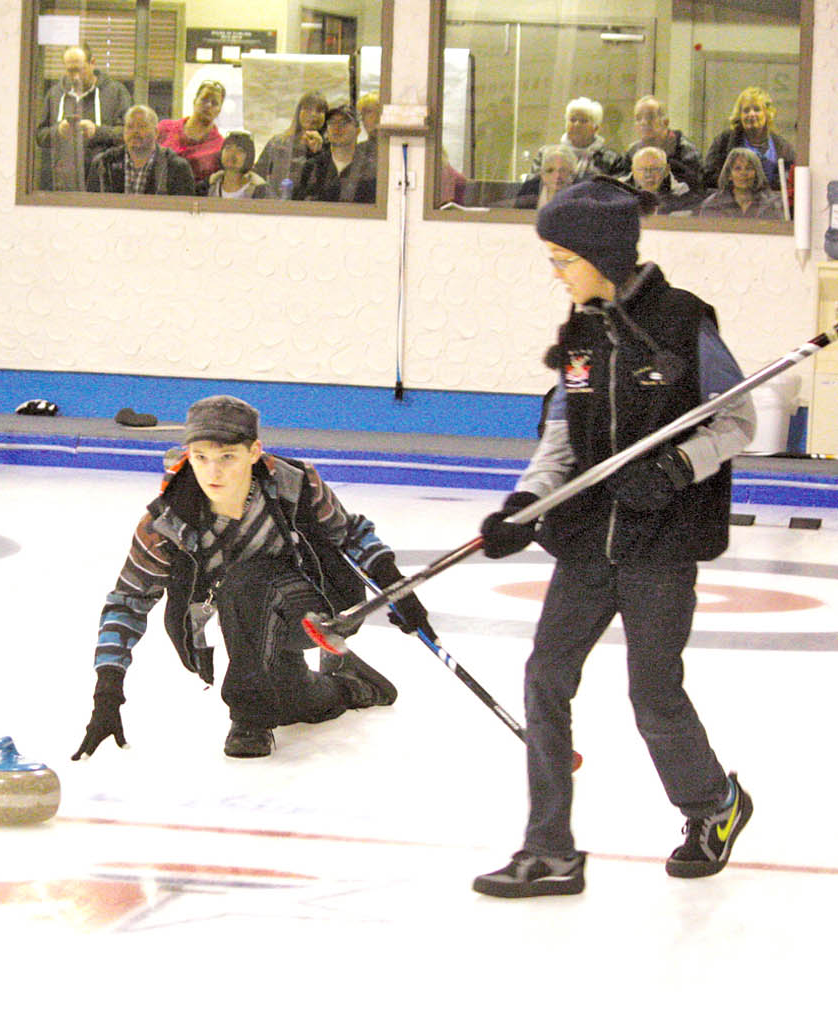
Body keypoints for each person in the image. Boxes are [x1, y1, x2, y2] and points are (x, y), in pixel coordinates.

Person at [473, 179, 756, 898]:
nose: (556, 273)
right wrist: (526, 502)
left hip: (661, 543)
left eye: (564, 257)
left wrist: (676, 466)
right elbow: (563, 435)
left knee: (652, 695)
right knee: (545, 678)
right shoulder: (580, 332)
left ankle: (713, 806)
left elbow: (738, 421)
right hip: (586, 542)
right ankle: (549, 847)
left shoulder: (684, 321)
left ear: (602, 253)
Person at [73, 396, 429, 761]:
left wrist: (398, 588)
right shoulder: (167, 523)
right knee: (291, 702)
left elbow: (350, 533)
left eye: (227, 457)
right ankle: (352, 685)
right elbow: (128, 601)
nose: (214, 473)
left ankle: (249, 719)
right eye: (201, 458)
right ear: (187, 455)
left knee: (245, 581)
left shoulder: (295, 483)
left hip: (310, 611)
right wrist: (108, 694)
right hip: (249, 625)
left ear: (254, 451)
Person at [35, 43, 131, 192]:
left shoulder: (115, 92)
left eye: (79, 70)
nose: (76, 77)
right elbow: (40, 136)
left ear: (92, 63)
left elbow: (128, 134)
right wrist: (58, 132)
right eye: (70, 71)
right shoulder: (55, 94)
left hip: (106, 183)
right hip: (64, 184)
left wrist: (97, 132)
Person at [701, 86, 795, 199]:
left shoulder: (783, 147)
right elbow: (708, 178)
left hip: (770, 209)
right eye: (746, 110)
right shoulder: (723, 142)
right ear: (739, 115)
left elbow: (791, 184)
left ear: (767, 114)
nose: (751, 114)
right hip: (731, 208)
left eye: (756, 109)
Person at [86, 104, 195, 196]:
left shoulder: (176, 167)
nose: (135, 132)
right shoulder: (103, 164)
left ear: (156, 133)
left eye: (142, 126)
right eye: (130, 127)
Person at [294, 103, 376, 203]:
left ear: (357, 131)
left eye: (344, 123)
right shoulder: (313, 167)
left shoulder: (369, 169)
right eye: (332, 123)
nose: (337, 128)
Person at [531, 97, 627, 180]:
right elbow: (532, 189)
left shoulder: (612, 159)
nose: (576, 124)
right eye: (572, 120)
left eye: (583, 121)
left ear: (596, 128)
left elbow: (616, 194)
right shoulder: (546, 155)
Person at [253, 91, 326, 198]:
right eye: (307, 109)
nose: (313, 114)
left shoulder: (329, 148)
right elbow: (258, 176)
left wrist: (320, 152)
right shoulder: (277, 143)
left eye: (319, 111)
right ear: (298, 112)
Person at [157, 80, 226, 190]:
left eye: (214, 103)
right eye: (204, 99)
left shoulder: (220, 146)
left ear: (219, 110)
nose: (208, 105)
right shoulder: (164, 128)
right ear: (195, 101)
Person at [624, 95, 701, 187]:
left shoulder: (685, 151)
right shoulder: (633, 151)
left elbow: (695, 188)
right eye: (638, 118)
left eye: (650, 117)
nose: (643, 122)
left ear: (665, 122)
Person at [697, 146, 784, 221]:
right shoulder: (712, 205)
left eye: (749, 168)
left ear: (756, 173)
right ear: (729, 175)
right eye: (738, 168)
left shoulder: (771, 204)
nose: (743, 173)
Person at [626, 146, 698, 216]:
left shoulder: (682, 192)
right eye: (641, 169)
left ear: (666, 170)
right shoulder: (619, 188)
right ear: (633, 170)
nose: (648, 175)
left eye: (654, 169)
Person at [205, 130, 269, 199]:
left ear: (249, 157)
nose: (232, 154)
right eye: (228, 148)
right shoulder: (207, 186)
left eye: (240, 150)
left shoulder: (260, 191)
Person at [512, 144, 575, 209]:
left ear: (572, 174)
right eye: (550, 170)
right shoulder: (529, 189)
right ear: (542, 174)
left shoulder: (581, 194)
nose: (557, 176)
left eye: (563, 170)